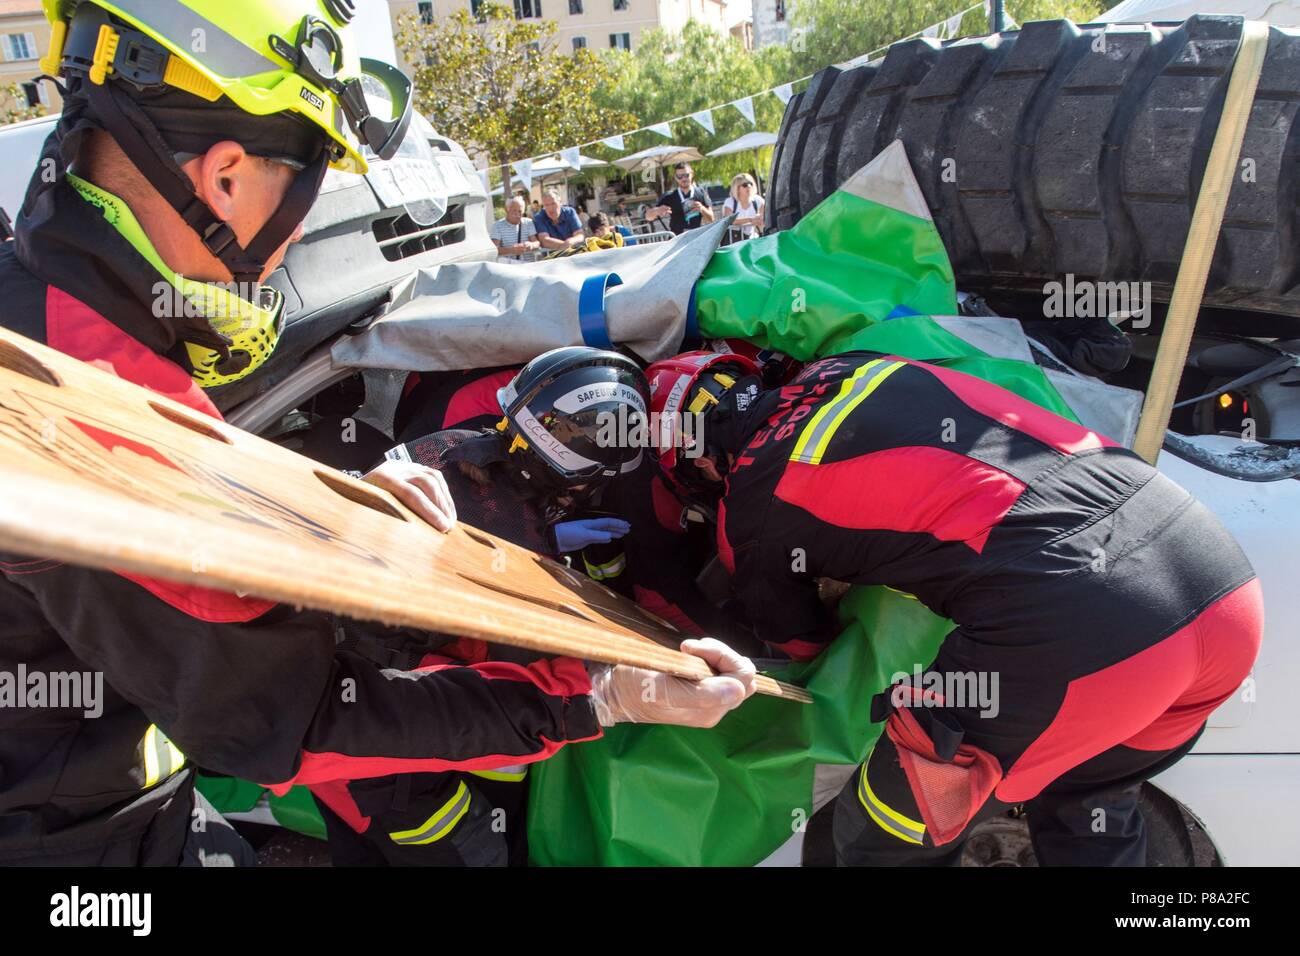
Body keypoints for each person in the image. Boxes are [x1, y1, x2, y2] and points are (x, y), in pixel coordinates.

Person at [0, 0, 756, 867]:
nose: (280, 254)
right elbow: (296, 718)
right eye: (305, 192)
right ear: (226, 176)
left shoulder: (42, 316)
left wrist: (326, 519)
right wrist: (601, 696)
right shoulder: (94, 407)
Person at [646, 349, 1264, 867]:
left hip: (1075, 626)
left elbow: (799, 645)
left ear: (695, 458)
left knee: (872, 841)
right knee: (1090, 805)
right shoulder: (852, 366)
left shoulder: (750, 510)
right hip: (1219, 582)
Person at [646, 163, 715, 235]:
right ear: (675, 178)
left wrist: (702, 209)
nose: (683, 179)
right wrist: (656, 211)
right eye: (679, 176)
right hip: (677, 239)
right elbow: (648, 217)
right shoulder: (670, 196)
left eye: (686, 175)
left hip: (696, 238)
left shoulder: (701, 193)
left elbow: (711, 219)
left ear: (692, 174)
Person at [490, 195, 540, 262]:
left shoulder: (528, 223)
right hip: (510, 268)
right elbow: (494, 250)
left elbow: (536, 242)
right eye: (514, 210)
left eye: (520, 211)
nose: (517, 214)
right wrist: (512, 250)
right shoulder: (497, 226)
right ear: (507, 209)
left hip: (529, 265)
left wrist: (531, 245)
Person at [722, 173, 764, 241]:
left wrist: (760, 218)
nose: (749, 186)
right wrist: (751, 220)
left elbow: (765, 216)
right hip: (733, 240)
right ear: (737, 188)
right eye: (745, 185)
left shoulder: (757, 200)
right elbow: (729, 220)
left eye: (750, 183)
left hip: (751, 238)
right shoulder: (730, 202)